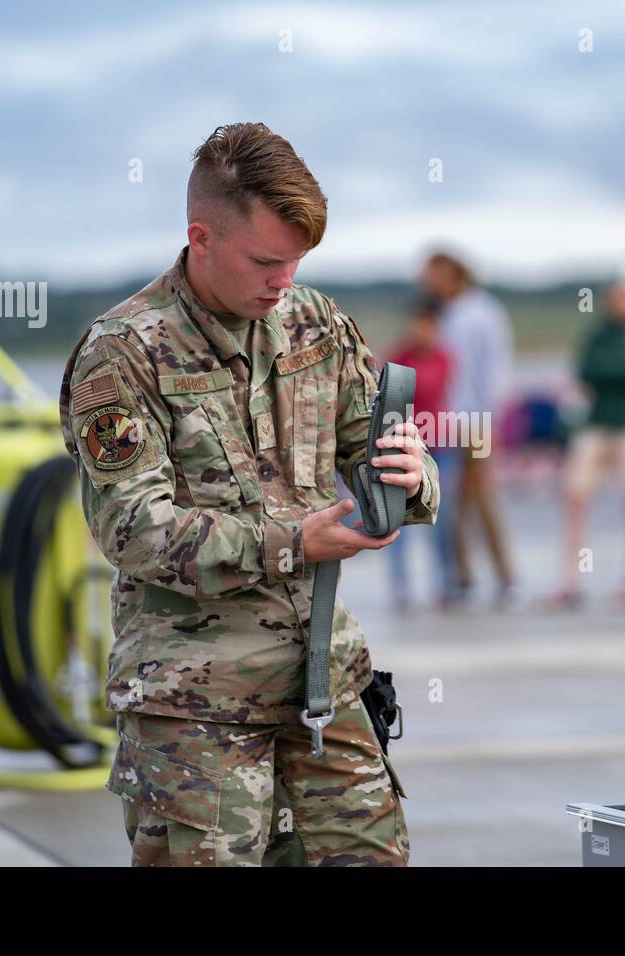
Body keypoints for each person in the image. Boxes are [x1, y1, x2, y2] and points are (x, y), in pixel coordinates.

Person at [59, 123, 440, 867]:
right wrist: (294, 544)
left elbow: (375, 452)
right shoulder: (123, 352)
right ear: (200, 237)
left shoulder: (315, 323)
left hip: (322, 684)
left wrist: (411, 476)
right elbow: (135, 529)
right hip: (194, 713)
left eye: (297, 261)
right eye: (266, 260)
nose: (284, 281)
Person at [548, 274, 625, 609]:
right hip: (598, 424)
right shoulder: (600, 333)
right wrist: (622, 366)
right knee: (574, 495)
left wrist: (615, 370)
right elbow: (587, 371)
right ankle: (571, 579)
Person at [421, 251, 516, 607]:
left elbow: (497, 368)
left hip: (476, 421)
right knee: (448, 502)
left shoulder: (483, 311)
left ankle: (506, 577)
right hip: (446, 422)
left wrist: (492, 419)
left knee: (482, 498)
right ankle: (460, 578)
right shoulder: (439, 315)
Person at [385, 298, 460, 606]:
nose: (421, 331)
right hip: (405, 445)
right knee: (397, 519)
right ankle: (401, 587)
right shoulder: (399, 357)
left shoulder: (445, 358)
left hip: (439, 445)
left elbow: (436, 392)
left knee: (441, 519)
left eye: (427, 325)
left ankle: (446, 582)